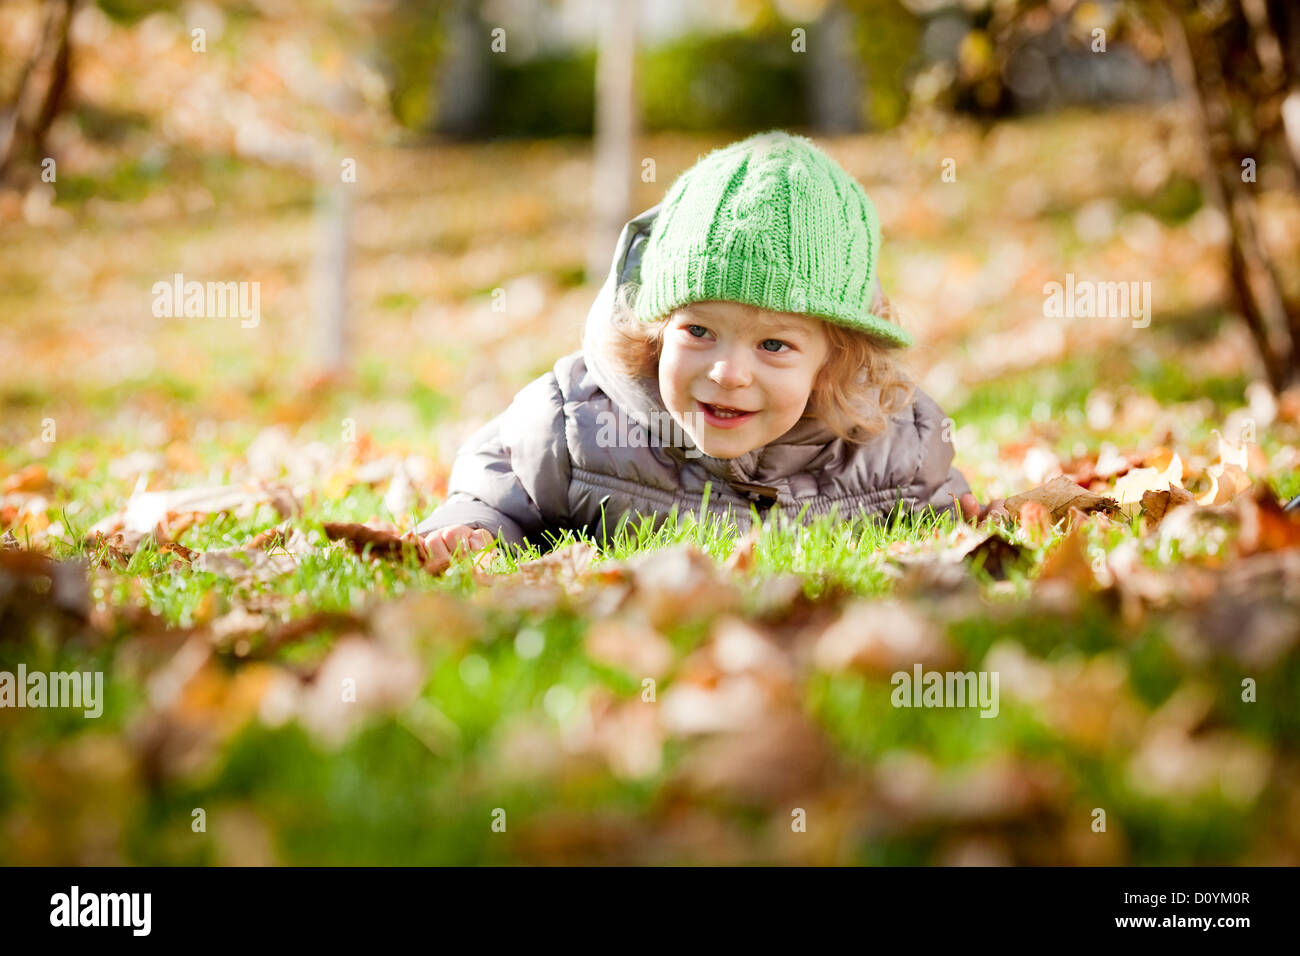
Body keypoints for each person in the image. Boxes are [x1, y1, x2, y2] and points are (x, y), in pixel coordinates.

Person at [413, 131, 1000, 572]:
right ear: (656, 327)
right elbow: (496, 479)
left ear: (834, 361)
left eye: (774, 344)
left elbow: (938, 505)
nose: (727, 373)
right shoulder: (578, 424)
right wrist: (476, 526)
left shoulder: (891, 444)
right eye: (698, 331)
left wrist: (971, 522)